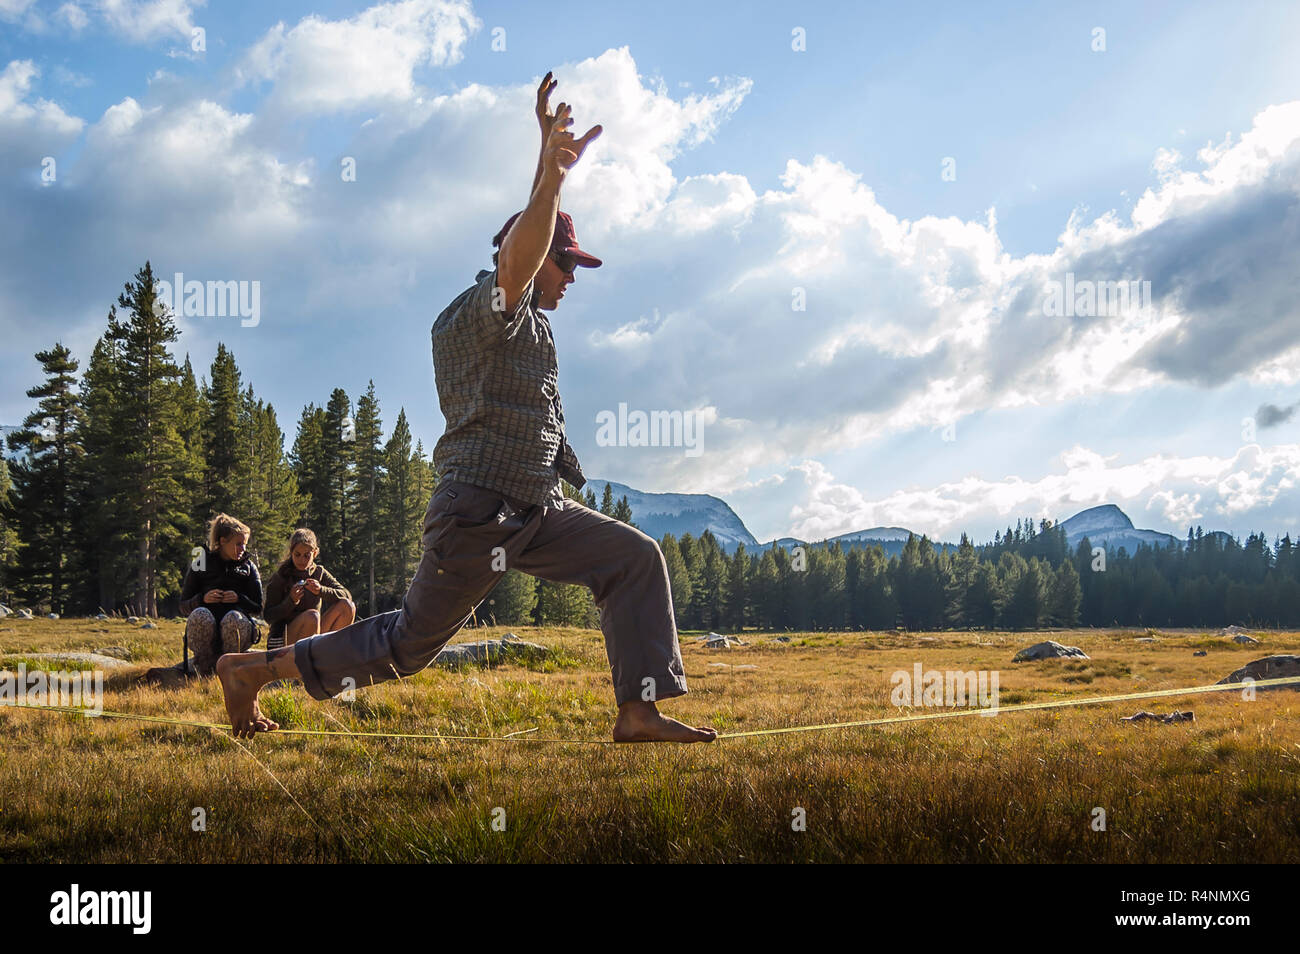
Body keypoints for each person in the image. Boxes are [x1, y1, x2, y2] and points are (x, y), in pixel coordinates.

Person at [217, 71, 716, 744]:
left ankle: (639, 711)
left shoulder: (534, 325)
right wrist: (550, 177)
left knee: (635, 557)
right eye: (565, 264)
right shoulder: (487, 312)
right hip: (476, 514)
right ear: (532, 256)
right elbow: (517, 263)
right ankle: (254, 669)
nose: (571, 278)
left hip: (537, 509)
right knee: (407, 646)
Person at [179, 513, 263, 676]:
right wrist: (202, 598)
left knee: (233, 617)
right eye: (238, 544)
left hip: (238, 630)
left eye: (244, 544)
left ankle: (231, 667)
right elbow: (183, 606)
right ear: (223, 541)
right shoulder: (201, 562)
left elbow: (258, 607)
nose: (243, 549)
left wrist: (239, 599)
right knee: (200, 614)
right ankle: (203, 667)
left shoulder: (249, 567)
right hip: (206, 631)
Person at [262, 528, 356, 648]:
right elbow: (268, 616)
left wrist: (321, 590)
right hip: (282, 640)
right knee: (312, 616)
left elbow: (346, 594)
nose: (302, 560)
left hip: (312, 634)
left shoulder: (319, 572)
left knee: (347, 606)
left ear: (315, 553)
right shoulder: (281, 576)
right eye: (297, 555)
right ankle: (308, 660)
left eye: (307, 555)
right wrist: (291, 601)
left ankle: (330, 655)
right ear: (291, 553)